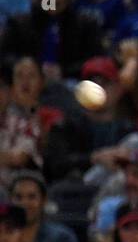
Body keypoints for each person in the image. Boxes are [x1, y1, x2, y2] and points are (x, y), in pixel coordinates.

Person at [0, 0, 105, 81]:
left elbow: (95, 62)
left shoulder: (87, 25)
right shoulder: (18, 24)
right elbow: (5, 58)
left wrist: (63, 71)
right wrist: (33, 69)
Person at [0, 55, 89, 184]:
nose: (25, 82)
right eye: (19, 76)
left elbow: (25, 157)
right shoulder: (4, 117)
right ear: (11, 84)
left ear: (42, 82)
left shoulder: (52, 116)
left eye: (31, 76)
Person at [8, 170, 81, 242]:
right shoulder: (2, 239)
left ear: (44, 201)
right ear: (10, 200)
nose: (24, 203)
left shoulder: (61, 238)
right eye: (18, 197)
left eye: (32, 197)